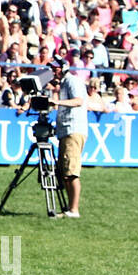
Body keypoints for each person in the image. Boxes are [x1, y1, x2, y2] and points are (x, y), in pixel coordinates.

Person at [50, 58, 87, 218]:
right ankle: (70, 208)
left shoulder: (72, 81)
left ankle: (74, 209)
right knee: (64, 171)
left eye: (56, 68)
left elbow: (78, 101)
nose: (53, 71)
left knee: (71, 172)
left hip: (73, 130)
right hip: (66, 131)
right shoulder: (64, 83)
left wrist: (56, 101)